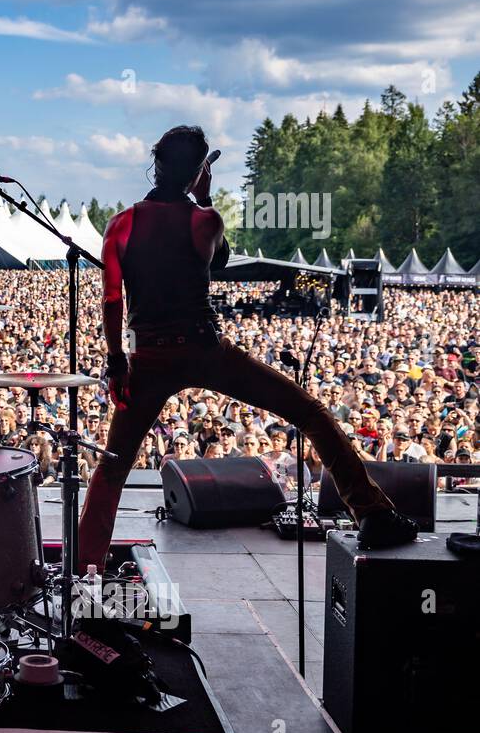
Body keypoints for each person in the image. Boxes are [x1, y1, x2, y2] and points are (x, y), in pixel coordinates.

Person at [79, 125, 417, 571]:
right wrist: (203, 197)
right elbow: (215, 259)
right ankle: (373, 512)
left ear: (154, 163)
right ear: (199, 170)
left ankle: (85, 567)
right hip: (204, 349)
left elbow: (112, 299)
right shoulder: (207, 220)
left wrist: (116, 360)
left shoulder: (121, 223)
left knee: (113, 464)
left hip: (147, 357)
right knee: (309, 413)